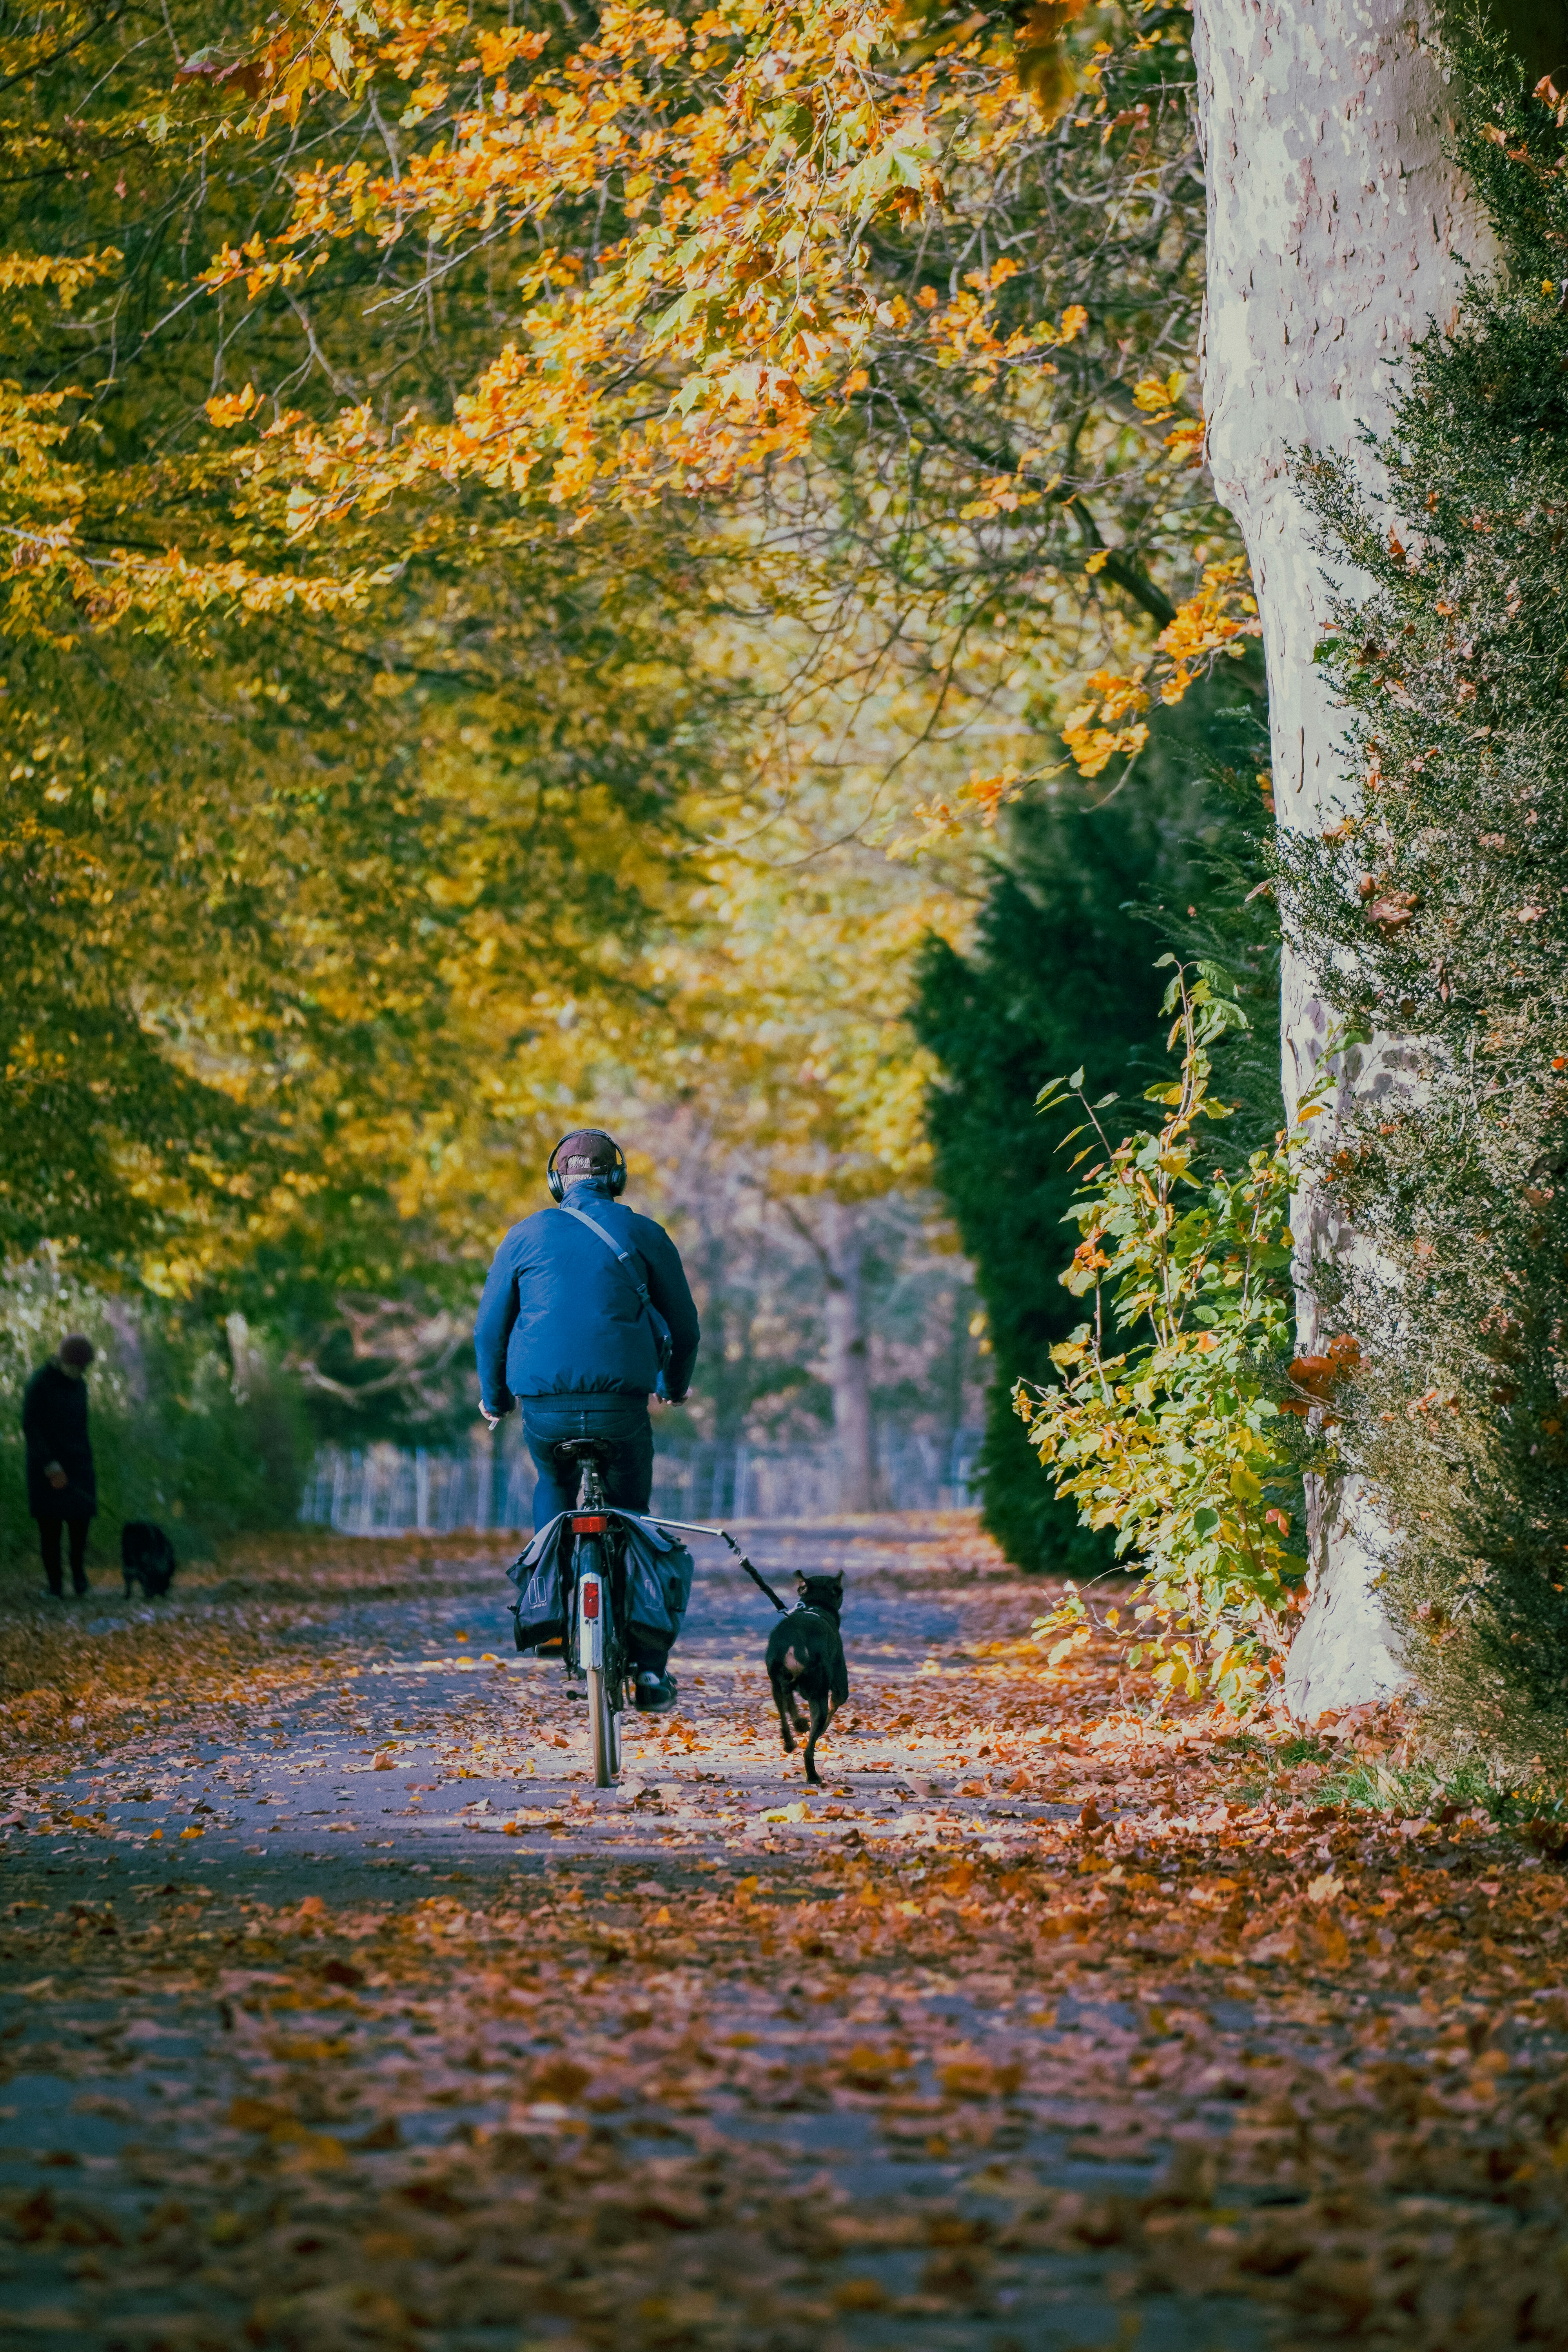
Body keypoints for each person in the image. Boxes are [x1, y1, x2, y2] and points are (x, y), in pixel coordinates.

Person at [474, 1129, 700, 1712]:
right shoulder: (645, 1233)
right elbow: (686, 1327)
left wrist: (495, 1398)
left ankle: (549, 1613)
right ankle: (651, 1671)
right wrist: (672, 1387)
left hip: (545, 1411)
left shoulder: (523, 1236)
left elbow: (489, 1329)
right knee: (632, 1514)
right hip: (621, 1407)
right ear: (615, 1179)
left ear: (557, 1182)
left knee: (553, 1483)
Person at [22, 1334, 98, 1598]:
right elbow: (31, 1427)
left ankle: (79, 1577)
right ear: (64, 1361)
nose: (80, 1373)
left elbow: (81, 1427)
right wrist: (49, 1464)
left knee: (80, 1524)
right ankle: (55, 1585)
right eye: (77, 1367)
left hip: (78, 1465)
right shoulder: (40, 1384)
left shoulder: (80, 1386)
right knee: (50, 1528)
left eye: (84, 1368)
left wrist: (83, 1463)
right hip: (46, 1467)